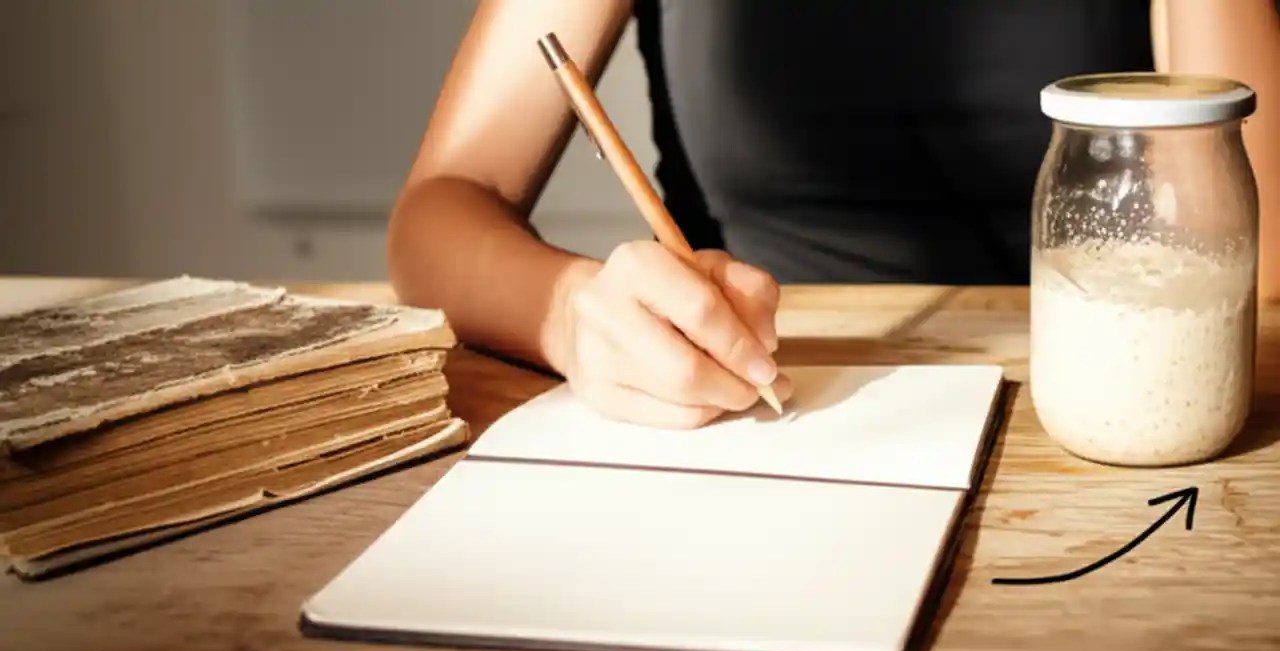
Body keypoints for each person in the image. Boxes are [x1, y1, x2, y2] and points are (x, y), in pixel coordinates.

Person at [388, 0, 1279, 428]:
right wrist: (570, 316)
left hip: (1108, 395)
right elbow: (439, 213)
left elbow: (1263, 276)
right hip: (752, 413)